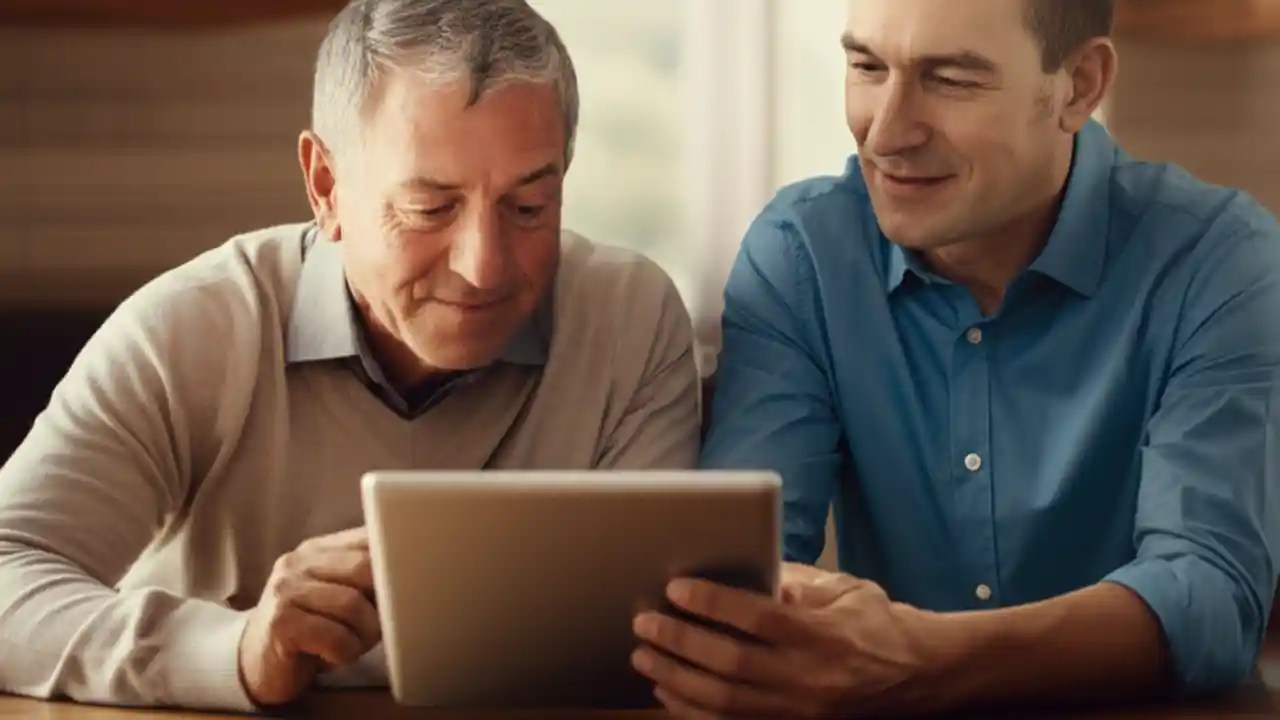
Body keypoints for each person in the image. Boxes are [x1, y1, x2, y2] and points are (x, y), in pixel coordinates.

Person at [0, 0, 699, 711]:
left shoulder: (629, 323)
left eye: (529, 207)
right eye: (430, 209)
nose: (484, 267)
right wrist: (237, 651)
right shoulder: (191, 328)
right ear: (326, 186)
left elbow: (660, 640)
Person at [634, 0, 1280, 716]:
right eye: (867, 67)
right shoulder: (804, 254)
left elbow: (1214, 598)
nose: (886, 132)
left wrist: (921, 659)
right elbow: (737, 561)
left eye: (950, 79)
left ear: (1079, 86)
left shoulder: (1219, 260)